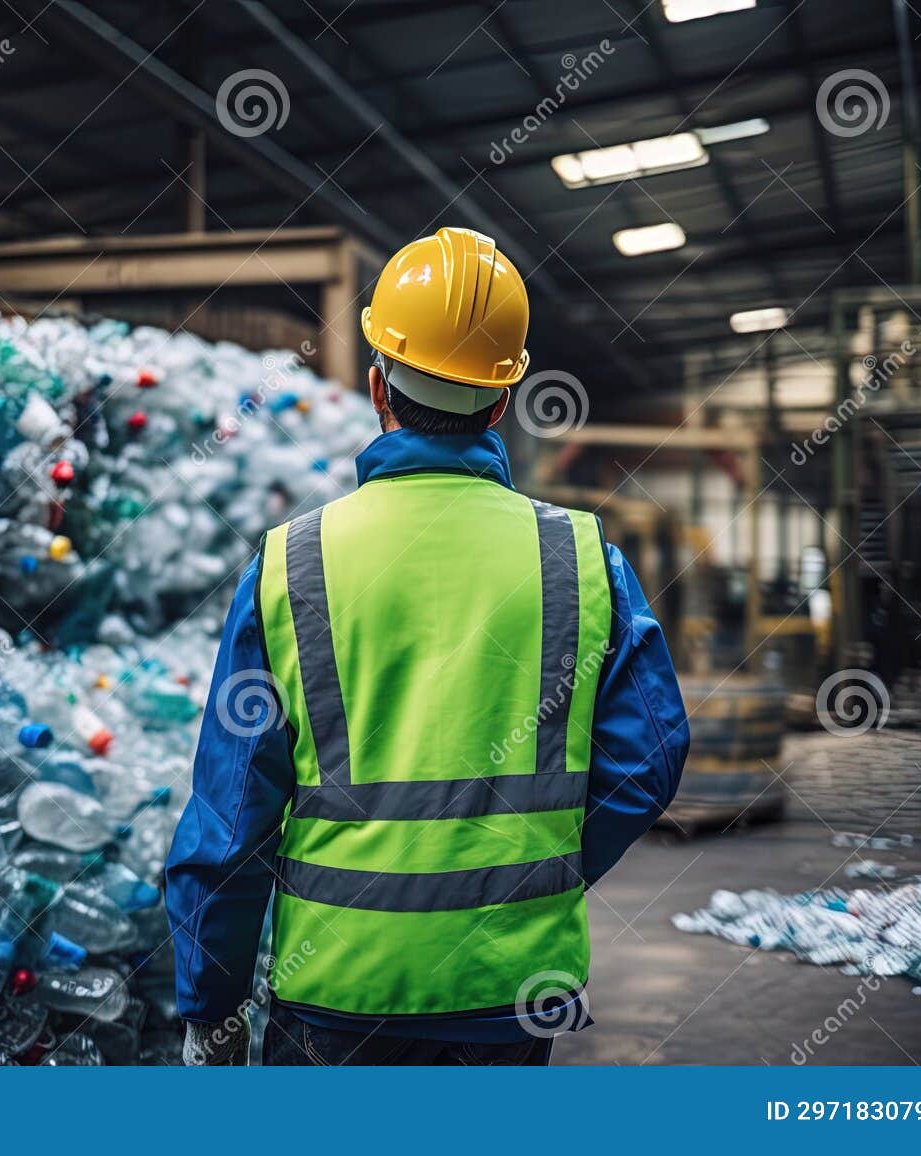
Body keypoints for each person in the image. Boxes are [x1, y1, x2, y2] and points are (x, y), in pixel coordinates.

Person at [166, 226, 689, 1066]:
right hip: (509, 992)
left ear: (378, 386)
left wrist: (210, 999)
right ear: (502, 401)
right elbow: (649, 761)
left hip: (336, 990)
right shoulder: (585, 558)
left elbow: (232, 820)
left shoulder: (292, 564)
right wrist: (536, 875)